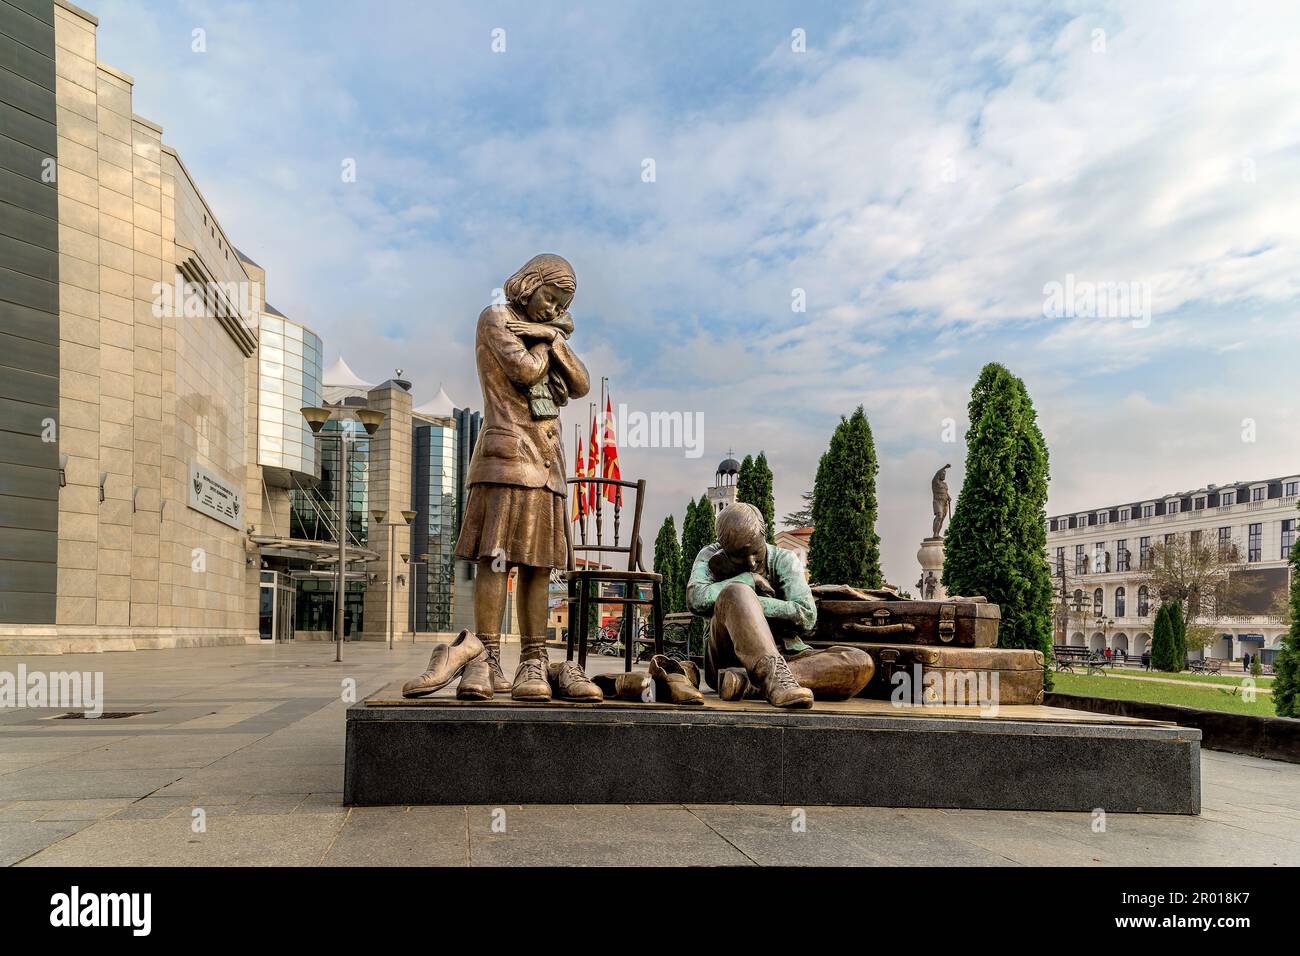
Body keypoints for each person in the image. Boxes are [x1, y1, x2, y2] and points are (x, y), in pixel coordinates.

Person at [409, 253, 600, 703]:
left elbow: (581, 383)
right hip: (507, 452)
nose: (553, 310)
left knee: (538, 561)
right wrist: (546, 339)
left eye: (560, 305)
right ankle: (487, 656)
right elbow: (526, 371)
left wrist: (549, 337)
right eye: (549, 298)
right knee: (496, 558)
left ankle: (534, 658)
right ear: (529, 283)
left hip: (548, 458)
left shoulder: (543, 332)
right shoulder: (495, 317)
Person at [687, 503, 874, 708]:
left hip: (788, 657)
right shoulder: (709, 555)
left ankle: (746, 683)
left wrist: (755, 604)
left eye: (755, 553)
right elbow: (696, 598)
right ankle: (771, 678)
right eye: (739, 556)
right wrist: (748, 580)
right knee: (736, 591)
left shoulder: (784, 559)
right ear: (722, 546)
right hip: (729, 657)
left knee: (860, 661)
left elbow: (806, 615)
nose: (750, 563)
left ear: (764, 534)